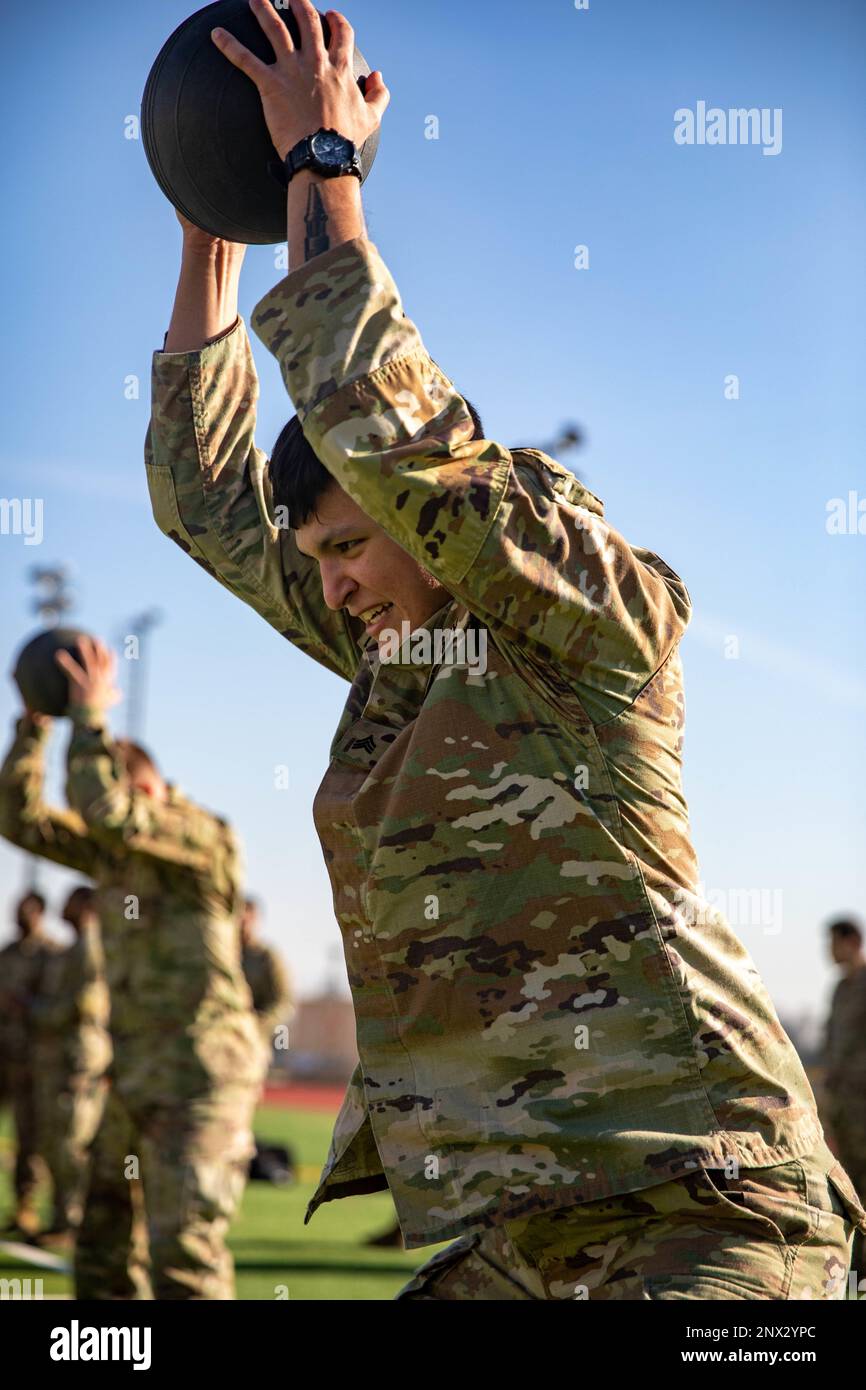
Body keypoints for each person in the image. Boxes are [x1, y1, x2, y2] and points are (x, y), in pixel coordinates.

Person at [145, 0, 866, 1299]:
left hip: (705, 1204)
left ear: (431, 512)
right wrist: (213, 224)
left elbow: (396, 432)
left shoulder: (584, 627)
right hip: (525, 1227)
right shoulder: (405, 658)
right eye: (315, 561)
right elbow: (211, 507)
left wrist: (319, 169)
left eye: (345, 545)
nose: (331, 582)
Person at [0, 646, 265, 1298]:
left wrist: (88, 718)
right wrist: (34, 727)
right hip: (136, 1074)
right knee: (103, 1251)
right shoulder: (114, 857)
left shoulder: (198, 836)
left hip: (202, 1079)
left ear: (144, 788)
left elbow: (103, 810)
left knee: (183, 1258)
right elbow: (18, 817)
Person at [30, 886, 112, 1246]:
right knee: (57, 1141)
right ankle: (64, 1218)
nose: (62, 907)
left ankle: (75, 1222)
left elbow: (80, 1006)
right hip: (64, 1059)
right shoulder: (75, 948)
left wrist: (33, 1011)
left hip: (79, 1061)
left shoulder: (90, 948)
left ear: (86, 907)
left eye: (70, 902)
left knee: (72, 1144)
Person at [0, 890, 57, 1236]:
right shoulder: (6, 954)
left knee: (29, 1136)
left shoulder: (52, 955)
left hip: (32, 1061)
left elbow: (57, 1006)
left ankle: (27, 1206)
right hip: (2, 1054)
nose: (20, 915)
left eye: (28, 910)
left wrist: (27, 1005)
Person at [823, 917, 866, 1280]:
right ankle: (858, 1273)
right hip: (844, 1107)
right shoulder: (840, 989)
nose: (829, 950)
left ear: (851, 941)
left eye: (833, 942)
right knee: (849, 1187)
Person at [239, 897, 294, 1058]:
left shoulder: (266, 957)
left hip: (255, 1040)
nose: (241, 924)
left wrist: (256, 1026)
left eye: (246, 919)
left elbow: (284, 1003)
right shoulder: (224, 954)